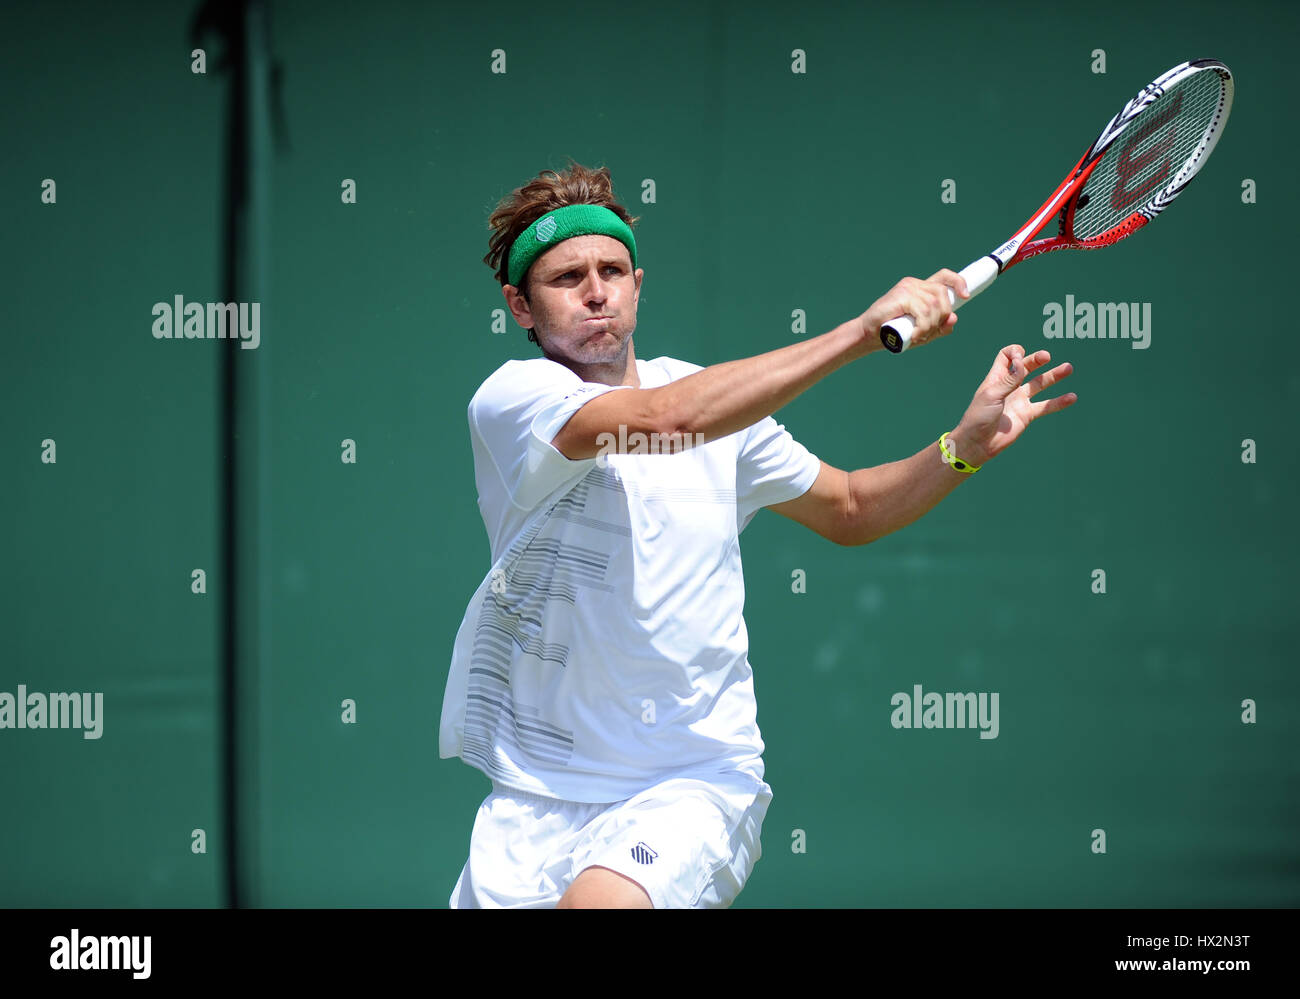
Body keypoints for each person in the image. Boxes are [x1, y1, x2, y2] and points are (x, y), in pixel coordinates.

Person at [440, 160, 1076, 909]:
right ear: (520, 304)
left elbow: (848, 506)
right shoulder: (514, 401)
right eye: (567, 277)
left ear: (639, 284)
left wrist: (960, 447)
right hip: (531, 797)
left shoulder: (718, 409)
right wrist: (859, 334)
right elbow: (664, 422)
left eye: (613, 269)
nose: (596, 291)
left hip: (689, 783)